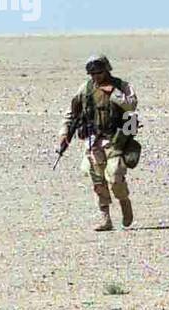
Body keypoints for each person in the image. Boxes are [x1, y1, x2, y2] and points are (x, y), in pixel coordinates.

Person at [59, 55, 138, 231]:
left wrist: (114, 93)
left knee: (116, 175)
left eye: (99, 72)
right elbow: (72, 112)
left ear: (107, 69)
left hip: (116, 140)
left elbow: (131, 106)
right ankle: (105, 218)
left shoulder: (121, 86)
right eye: (92, 74)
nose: (96, 77)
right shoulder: (85, 88)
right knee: (98, 181)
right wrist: (64, 133)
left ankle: (124, 201)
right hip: (93, 141)